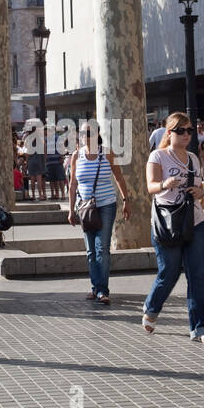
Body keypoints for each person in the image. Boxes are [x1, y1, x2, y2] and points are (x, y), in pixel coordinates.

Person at [143, 112, 204, 343]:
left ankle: (200, 328)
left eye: (189, 131)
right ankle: (151, 308)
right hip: (167, 222)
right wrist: (164, 183)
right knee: (169, 272)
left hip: (193, 219)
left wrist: (200, 191)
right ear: (170, 132)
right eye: (181, 131)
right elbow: (150, 187)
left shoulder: (194, 158)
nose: (186, 135)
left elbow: (200, 187)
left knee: (198, 275)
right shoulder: (158, 156)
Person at [67, 128, 130, 304]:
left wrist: (126, 200)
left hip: (106, 205)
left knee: (102, 247)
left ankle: (103, 290)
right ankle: (95, 287)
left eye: (89, 132)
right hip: (85, 208)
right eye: (82, 133)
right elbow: (73, 185)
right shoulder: (76, 156)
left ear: (97, 135)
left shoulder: (107, 153)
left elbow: (119, 176)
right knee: (90, 251)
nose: (85, 136)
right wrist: (71, 210)